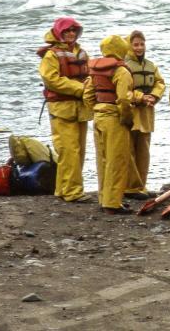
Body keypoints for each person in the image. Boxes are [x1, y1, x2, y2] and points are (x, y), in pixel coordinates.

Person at [37, 17, 91, 203]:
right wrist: (80, 88)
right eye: (67, 31)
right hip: (61, 108)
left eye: (74, 31)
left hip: (81, 109)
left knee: (79, 150)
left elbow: (90, 76)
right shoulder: (51, 55)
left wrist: (91, 89)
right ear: (59, 32)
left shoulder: (82, 52)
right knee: (69, 150)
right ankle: (72, 191)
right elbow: (51, 79)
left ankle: (63, 188)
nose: (71, 34)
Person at [83, 34, 135, 215]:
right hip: (114, 117)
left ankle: (104, 198)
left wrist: (96, 109)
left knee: (102, 159)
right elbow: (123, 99)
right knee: (117, 160)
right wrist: (127, 119)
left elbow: (87, 95)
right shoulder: (122, 71)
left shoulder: (95, 70)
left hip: (98, 116)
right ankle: (113, 203)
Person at [123, 30, 165, 200]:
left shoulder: (150, 65)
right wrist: (140, 97)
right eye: (135, 44)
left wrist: (154, 96)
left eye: (142, 44)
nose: (139, 47)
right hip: (132, 111)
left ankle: (141, 184)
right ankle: (130, 186)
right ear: (129, 46)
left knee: (144, 149)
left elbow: (160, 83)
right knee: (128, 149)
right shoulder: (124, 66)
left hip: (147, 112)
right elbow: (123, 91)